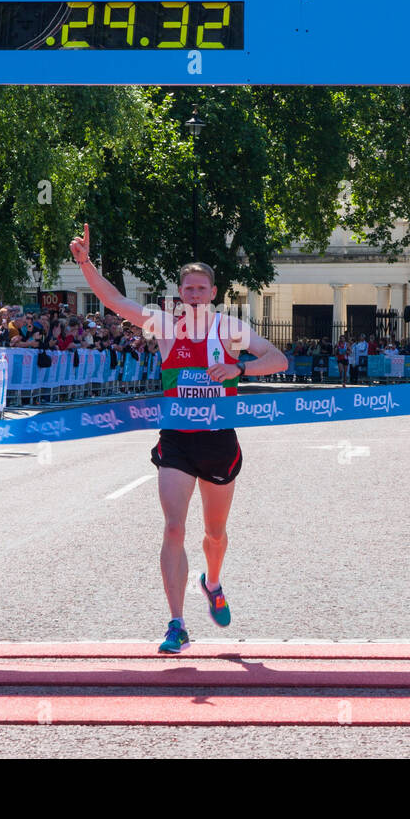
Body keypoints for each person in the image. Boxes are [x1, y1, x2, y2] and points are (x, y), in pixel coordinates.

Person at [69, 224, 286, 654]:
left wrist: (239, 369)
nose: (194, 294)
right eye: (188, 288)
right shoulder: (165, 326)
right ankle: (177, 623)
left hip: (219, 441)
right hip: (177, 443)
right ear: (180, 293)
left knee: (215, 534)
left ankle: (214, 581)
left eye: (201, 288)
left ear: (213, 292)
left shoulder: (230, 330)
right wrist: (85, 264)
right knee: (173, 527)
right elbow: (115, 301)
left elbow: (278, 359)